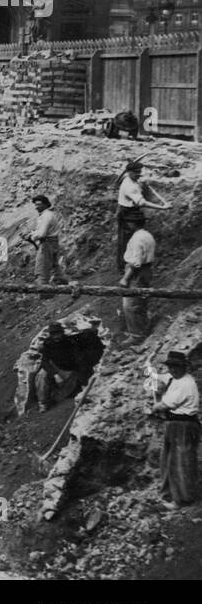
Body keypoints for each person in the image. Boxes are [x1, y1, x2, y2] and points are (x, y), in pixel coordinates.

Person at [151, 351, 199, 509]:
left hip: (183, 426)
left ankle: (183, 499)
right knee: (167, 461)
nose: (173, 370)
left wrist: (156, 406)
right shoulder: (175, 378)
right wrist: (151, 374)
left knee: (181, 462)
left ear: (184, 367)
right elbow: (161, 378)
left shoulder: (186, 383)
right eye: (170, 366)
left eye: (176, 367)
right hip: (173, 424)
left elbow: (166, 404)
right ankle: (169, 495)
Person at [116, 161, 167, 263]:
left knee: (136, 238)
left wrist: (143, 184)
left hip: (134, 212)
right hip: (127, 214)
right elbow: (142, 203)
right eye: (136, 172)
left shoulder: (132, 179)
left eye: (139, 172)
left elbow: (138, 185)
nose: (139, 174)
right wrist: (162, 208)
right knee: (128, 240)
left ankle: (135, 262)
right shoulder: (129, 186)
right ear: (129, 172)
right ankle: (125, 265)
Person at [120, 218, 156, 340]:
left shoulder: (136, 239)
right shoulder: (147, 235)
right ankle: (143, 328)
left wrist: (125, 278)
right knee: (140, 302)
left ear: (133, 223)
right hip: (146, 271)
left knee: (130, 305)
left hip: (137, 273)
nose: (127, 225)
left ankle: (136, 335)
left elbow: (136, 262)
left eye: (128, 223)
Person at [24, 195, 66, 286]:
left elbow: (42, 234)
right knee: (56, 268)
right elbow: (41, 231)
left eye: (39, 204)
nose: (36, 207)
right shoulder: (47, 215)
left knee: (41, 268)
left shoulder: (46, 216)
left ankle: (43, 293)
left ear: (46, 204)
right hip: (52, 242)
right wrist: (32, 234)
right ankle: (65, 288)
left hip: (47, 244)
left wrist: (31, 237)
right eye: (35, 205)